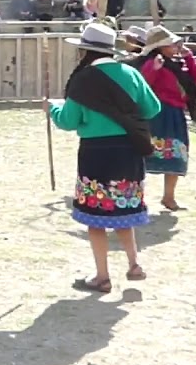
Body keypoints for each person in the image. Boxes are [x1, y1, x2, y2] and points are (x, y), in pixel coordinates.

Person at [46, 22, 161, 293]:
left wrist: (52, 109)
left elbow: (68, 121)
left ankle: (102, 276)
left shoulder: (82, 80)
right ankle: (134, 264)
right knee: (124, 209)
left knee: (95, 216)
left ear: (85, 51)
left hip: (96, 153)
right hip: (129, 150)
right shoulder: (131, 73)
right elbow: (152, 108)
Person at [134, 26, 196, 212]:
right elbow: (143, 84)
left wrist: (189, 57)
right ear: (161, 47)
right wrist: (154, 69)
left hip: (175, 114)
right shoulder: (151, 62)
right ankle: (137, 198)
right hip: (156, 114)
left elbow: (195, 80)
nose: (176, 47)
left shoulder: (174, 65)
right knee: (144, 156)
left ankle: (169, 197)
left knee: (176, 154)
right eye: (172, 44)